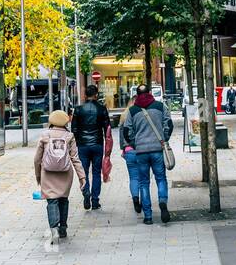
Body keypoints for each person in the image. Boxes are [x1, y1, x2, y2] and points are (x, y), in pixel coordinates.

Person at [120, 83, 173, 225]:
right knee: (161, 179)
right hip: (157, 149)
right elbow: (169, 123)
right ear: (150, 92)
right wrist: (164, 138)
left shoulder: (132, 110)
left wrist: (134, 143)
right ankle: (162, 202)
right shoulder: (160, 106)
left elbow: (127, 130)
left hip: (141, 151)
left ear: (137, 94)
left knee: (144, 183)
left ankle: (148, 216)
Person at [33, 110, 86, 243]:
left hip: (48, 173)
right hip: (65, 174)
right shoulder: (69, 136)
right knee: (63, 200)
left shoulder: (45, 136)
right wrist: (82, 177)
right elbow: (75, 158)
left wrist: (38, 176)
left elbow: (37, 159)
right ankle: (63, 228)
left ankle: (53, 229)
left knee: (52, 201)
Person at [71, 84, 110, 210]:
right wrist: (107, 147)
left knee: (84, 172)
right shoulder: (102, 109)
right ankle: (95, 200)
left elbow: (74, 129)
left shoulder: (78, 109)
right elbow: (107, 129)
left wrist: (77, 142)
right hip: (97, 144)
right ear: (96, 94)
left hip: (82, 145)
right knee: (96, 172)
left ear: (85, 95)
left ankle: (86, 193)